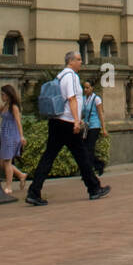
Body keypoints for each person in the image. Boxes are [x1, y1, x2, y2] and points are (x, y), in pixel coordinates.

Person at [26, 51, 111, 205]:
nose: (81, 62)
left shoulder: (60, 76)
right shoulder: (71, 76)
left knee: (50, 156)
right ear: (71, 61)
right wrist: (77, 121)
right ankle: (94, 188)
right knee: (82, 156)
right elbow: (72, 99)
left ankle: (34, 191)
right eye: (78, 59)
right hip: (67, 122)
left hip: (56, 122)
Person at [0, 85, 28, 194]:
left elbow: (18, 121)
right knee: (3, 163)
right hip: (5, 135)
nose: (2, 97)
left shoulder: (13, 107)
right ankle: (21, 175)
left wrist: (21, 136)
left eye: (3, 95)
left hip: (11, 135)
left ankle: (9, 185)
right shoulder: (5, 105)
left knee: (7, 161)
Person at [81, 79, 107, 178]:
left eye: (87, 87)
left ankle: (91, 170)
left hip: (95, 126)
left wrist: (103, 128)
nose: (85, 90)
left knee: (89, 148)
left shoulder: (96, 99)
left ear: (92, 88)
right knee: (85, 149)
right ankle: (98, 165)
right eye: (84, 88)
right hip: (86, 126)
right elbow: (82, 113)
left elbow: (100, 114)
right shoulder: (83, 99)